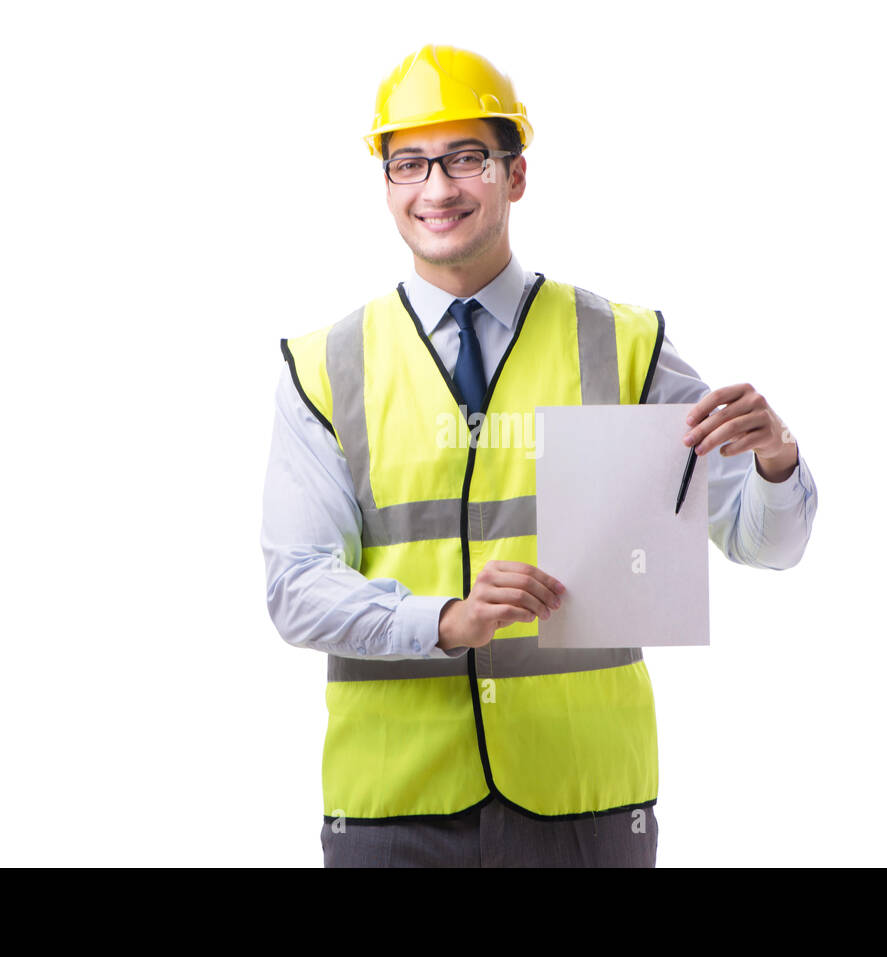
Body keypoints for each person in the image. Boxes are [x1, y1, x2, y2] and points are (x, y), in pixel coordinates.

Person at [261, 44, 818, 868]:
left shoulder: (624, 345)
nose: (437, 187)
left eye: (465, 159)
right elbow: (296, 588)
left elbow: (766, 544)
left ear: (515, 174)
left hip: (586, 798)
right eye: (409, 163)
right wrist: (445, 619)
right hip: (392, 805)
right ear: (386, 185)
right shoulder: (323, 365)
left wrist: (777, 463)